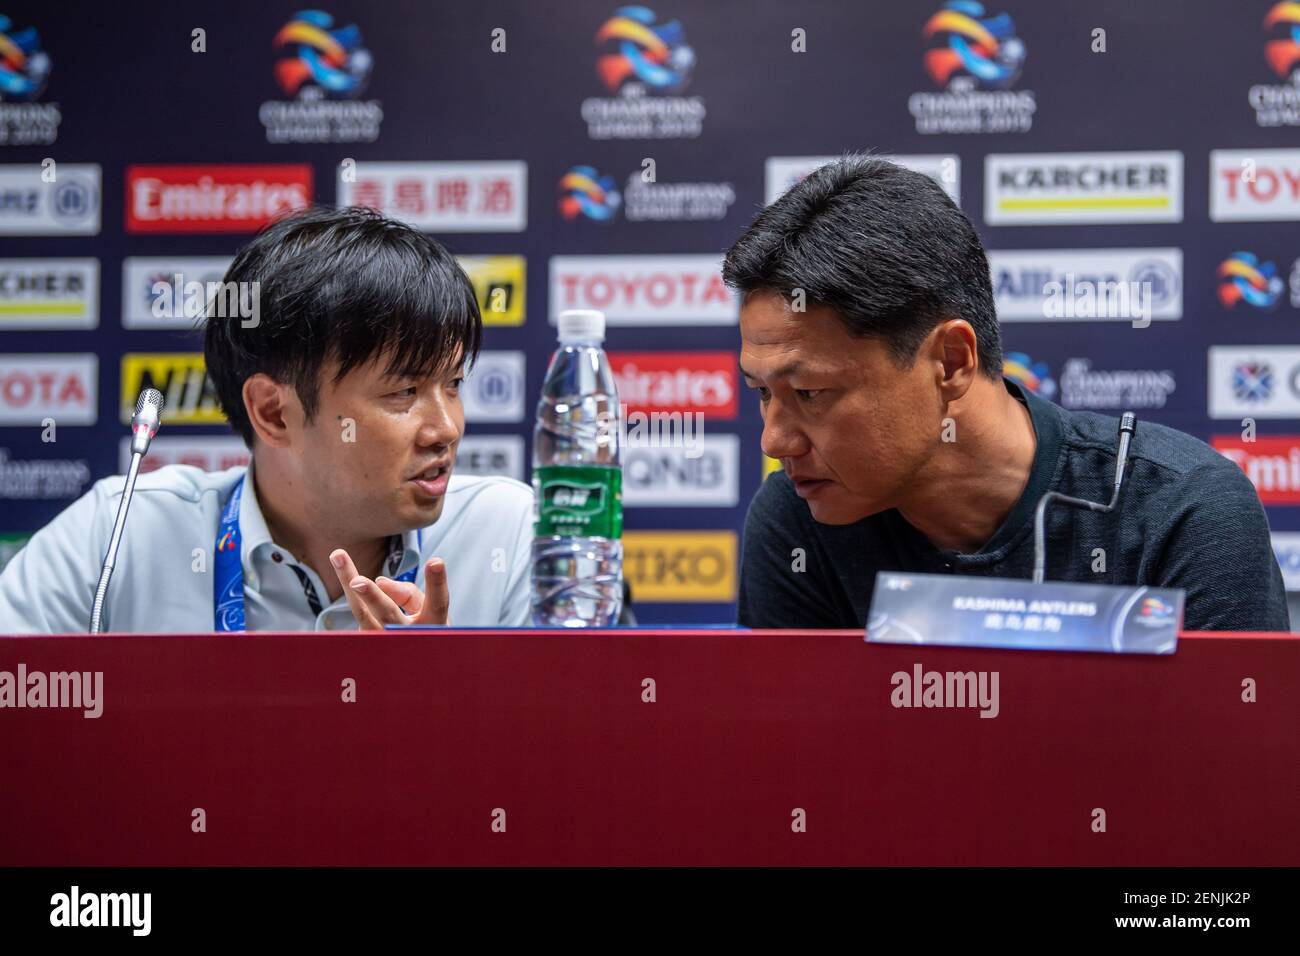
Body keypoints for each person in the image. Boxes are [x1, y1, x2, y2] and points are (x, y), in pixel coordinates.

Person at [725, 154, 1289, 632]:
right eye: (762, 394)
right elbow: (808, 761)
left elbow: (1229, 760)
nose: (777, 441)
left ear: (950, 363)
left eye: (810, 392)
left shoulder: (1182, 511)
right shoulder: (798, 521)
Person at [0, 206, 534, 633]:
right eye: (404, 392)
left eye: (453, 386)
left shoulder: (504, 535)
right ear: (274, 413)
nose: (446, 428)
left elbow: (565, 757)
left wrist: (443, 698)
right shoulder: (116, 536)